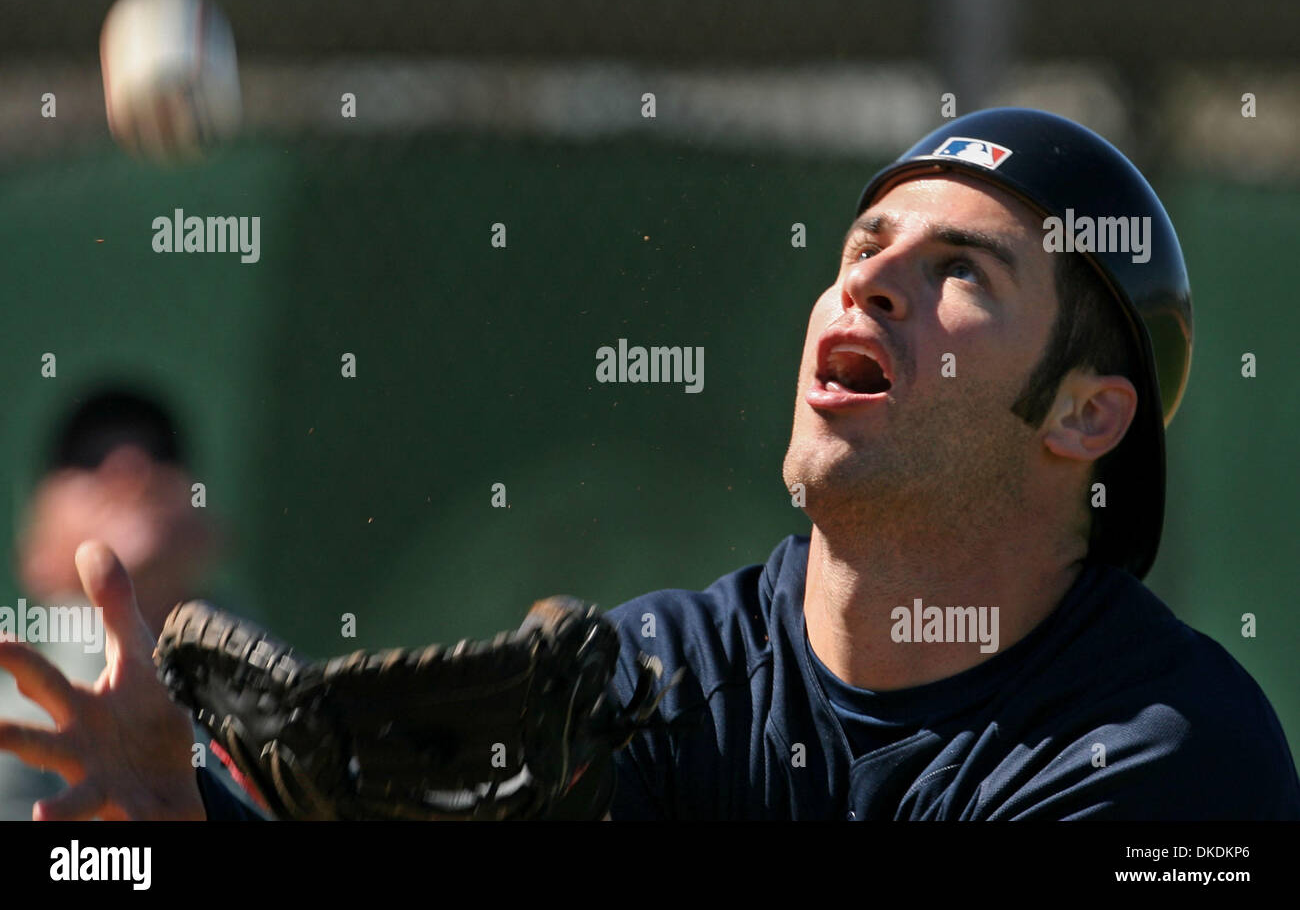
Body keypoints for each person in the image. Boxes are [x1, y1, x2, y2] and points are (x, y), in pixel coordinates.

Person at [1, 109, 1297, 820]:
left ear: (1084, 415)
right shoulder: (667, 680)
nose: (872, 278)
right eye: (867, 242)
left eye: (961, 269)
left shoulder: (1168, 755)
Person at [0, 387, 219, 820]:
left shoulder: (306, 712)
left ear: (209, 534)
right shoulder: (8, 736)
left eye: (162, 451)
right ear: (32, 552)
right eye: (86, 455)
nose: (131, 466)